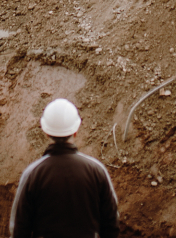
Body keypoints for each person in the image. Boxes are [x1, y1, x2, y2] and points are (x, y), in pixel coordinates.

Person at [10, 99, 119, 238]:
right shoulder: (97, 171)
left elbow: (19, 229)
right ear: (75, 131)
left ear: (46, 132)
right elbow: (111, 224)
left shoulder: (32, 173)